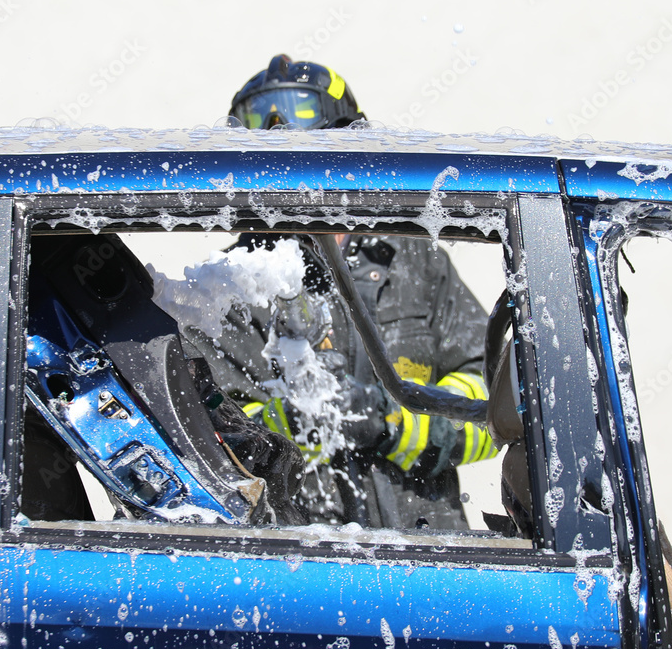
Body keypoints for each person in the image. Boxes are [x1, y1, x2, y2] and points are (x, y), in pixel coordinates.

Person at [184, 55, 497, 532]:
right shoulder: (228, 286)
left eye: (308, 155)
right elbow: (208, 443)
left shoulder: (413, 259)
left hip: (433, 572)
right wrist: (298, 421)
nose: (292, 180)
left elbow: (497, 412)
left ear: (349, 150)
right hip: (300, 575)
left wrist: (389, 421)